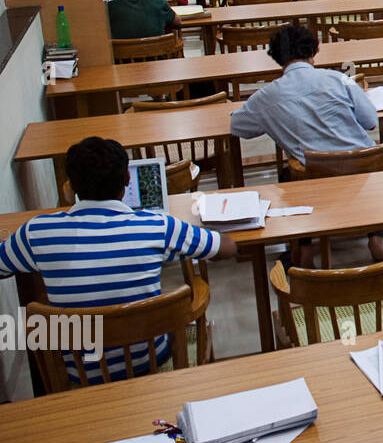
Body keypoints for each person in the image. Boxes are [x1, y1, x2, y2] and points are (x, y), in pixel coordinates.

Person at [0, 137, 235, 383]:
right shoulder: (158, 225)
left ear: (70, 187)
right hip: (150, 362)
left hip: (79, 373)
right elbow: (225, 248)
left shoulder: (36, 232)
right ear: (126, 181)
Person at [229, 24, 383, 265]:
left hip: (315, 181)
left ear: (277, 58)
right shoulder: (340, 78)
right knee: (356, 163)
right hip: (366, 173)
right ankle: (376, 238)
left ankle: (304, 245)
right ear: (314, 51)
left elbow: (238, 127)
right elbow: (370, 121)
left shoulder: (265, 97)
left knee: (288, 175)